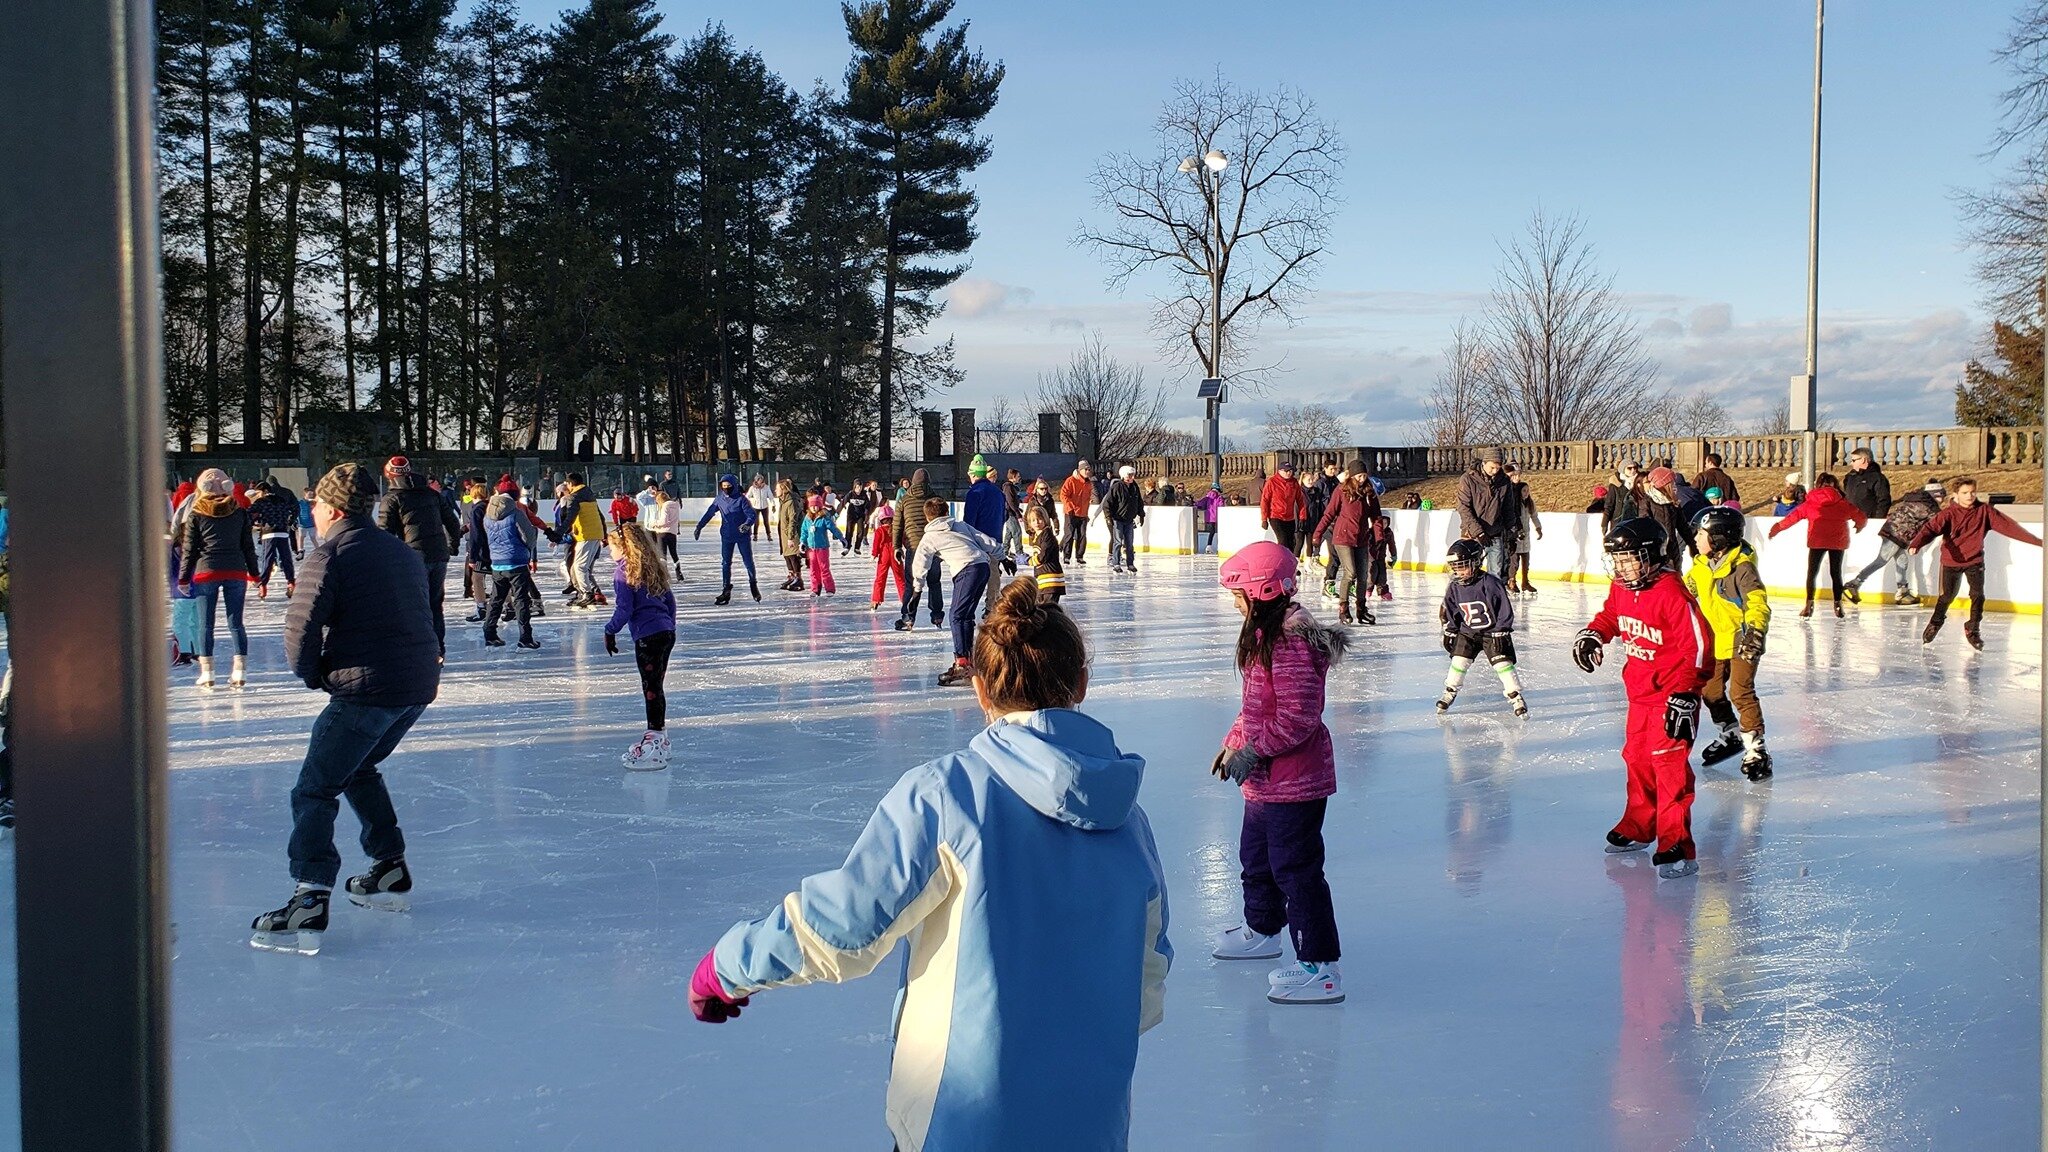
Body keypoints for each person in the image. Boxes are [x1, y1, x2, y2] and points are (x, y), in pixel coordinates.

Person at [686, 577, 1171, 1150]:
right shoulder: (1127, 818)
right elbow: (1148, 971)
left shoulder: (945, 796)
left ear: (981, 689)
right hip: (1090, 1124)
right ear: (1082, 685)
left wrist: (729, 966)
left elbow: (845, 923)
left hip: (964, 1123)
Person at [251, 463, 441, 955]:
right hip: (414, 686)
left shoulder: (330, 554)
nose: (310, 511)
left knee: (314, 789)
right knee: (360, 768)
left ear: (333, 509)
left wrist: (315, 674)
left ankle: (310, 895)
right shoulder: (399, 550)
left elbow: (299, 633)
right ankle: (389, 866)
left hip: (368, 689)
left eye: (314, 503)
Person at [1208, 541, 1348, 1005]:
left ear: (1263, 592)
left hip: (1296, 780)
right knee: (1257, 859)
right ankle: (1263, 930)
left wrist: (1252, 751)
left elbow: (1297, 718)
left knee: (1297, 870)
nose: (1233, 603)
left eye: (1238, 594)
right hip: (1265, 784)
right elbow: (1254, 709)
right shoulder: (1265, 636)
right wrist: (1234, 744)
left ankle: (1320, 967)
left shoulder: (1289, 643)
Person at [1570, 518, 1714, 880]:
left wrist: (1685, 692)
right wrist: (1594, 634)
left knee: (1669, 768)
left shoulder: (1671, 593)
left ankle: (1676, 843)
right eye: (1616, 561)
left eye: (1628, 559)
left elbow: (1699, 647)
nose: (1621, 568)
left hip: (1672, 697)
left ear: (1650, 556)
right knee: (1636, 758)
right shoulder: (1622, 588)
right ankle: (1639, 824)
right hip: (1640, 694)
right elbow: (1611, 615)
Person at [1908, 475, 2043, 649]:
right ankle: (1935, 623)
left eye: (1972, 492)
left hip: (1975, 560)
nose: (1969, 496)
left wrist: (2038, 542)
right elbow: (1931, 529)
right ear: (1956, 494)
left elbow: (2009, 527)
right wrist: (1917, 543)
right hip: (1952, 561)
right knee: (1947, 596)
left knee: (1978, 595)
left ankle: (1973, 629)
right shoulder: (1948, 514)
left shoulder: (1984, 511)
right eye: (1965, 493)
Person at [1687, 506, 1773, 780]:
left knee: (1741, 692)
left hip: (1742, 638)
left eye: (1701, 534)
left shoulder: (1742, 568)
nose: (1696, 539)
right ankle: (1731, 734)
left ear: (1719, 540)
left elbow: (1757, 602)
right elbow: (1683, 591)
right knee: (1710, 692)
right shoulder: (1700, 566)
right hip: (1714, 639)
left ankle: (1756, 749)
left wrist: (1755, 632)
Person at [900, 498, 1014, 686]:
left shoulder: (930, 537)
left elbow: (920, 564)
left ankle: (962, 663)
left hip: (967, 570)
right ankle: (969, 659)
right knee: (965, 615)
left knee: (957, 615)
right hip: (982, 566)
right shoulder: (960, 525)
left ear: (928, 518)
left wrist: (917, 590)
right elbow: (985, 541)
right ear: (946, 512)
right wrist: (1003, 558)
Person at [602, 523, 678, 770]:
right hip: (665, 633)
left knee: (651, 688)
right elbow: (670, 601)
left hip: (648, 637)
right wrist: (669, 627)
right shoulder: (653, 566)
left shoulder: (624, 572)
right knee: (656, 686)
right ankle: (661, 737)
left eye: (611, 546)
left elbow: (625, 609)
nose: (608, 551)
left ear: (624, 547)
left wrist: (610, 630)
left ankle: (654, 741)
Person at [177, 467, 260, 690]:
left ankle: (207, 674)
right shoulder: (240, 513)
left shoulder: (196, 513)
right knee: (236, 624)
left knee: (206, 625)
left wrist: (183, 578)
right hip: (236, 571)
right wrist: (255, 573)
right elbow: (248, 547)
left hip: (207, 571)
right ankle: (240, 671)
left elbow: (189, 549)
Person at [378, 456, 462, 657]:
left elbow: (384, 534)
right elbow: (452, 521)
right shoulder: (431, 494)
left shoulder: (392, 499)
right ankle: (437, 649)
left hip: (412, 558)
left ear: (389, 476)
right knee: (434, 604)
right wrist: (453, 545)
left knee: (412, 604)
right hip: (438, 555)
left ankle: (418, 650)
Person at [1434, 538, 1526, 717]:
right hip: (1468, 632)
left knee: (1503, 664)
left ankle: (1515, 695)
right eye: (1455, 567)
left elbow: (1504, 609)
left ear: (1476, 562)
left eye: (1462, 566)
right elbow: (1450, 610)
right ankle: (1450, 690)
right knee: (1459, 661)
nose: (1458, 571)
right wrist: (1450, 631)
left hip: (1492, 633)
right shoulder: (1454, 587)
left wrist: (1502, 630)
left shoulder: (1490, 583)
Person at [1766, 472, 1866, 618]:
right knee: (1836, 573)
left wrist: (1777, 528)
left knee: (1812, 572)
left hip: (1817, 540)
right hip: (1837, 541)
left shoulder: (1810, 503)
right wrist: (1859, 525)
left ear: (1818, 485)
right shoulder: (1842, 503)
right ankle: (1838, 605)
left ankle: (1808, 604)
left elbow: (1793, 517)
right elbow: (1860, 516)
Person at [1846, 479, 1945, 606]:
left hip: (1894, 532)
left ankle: (1902, 591)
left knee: (1902, 561)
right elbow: (1938, 524)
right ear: (1933, 495)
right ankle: (1854, 584)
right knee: (1881, 560)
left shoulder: (1917, 500)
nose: (1942, 498)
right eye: (1940, 495)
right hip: (1896, 535)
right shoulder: (1928, 507)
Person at [475, 476, 545, 651]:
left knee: (496, 599)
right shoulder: (516, 513)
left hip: (497, 563)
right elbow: (529, 535)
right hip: (516, 562)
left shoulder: (488, 514)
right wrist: (527, 551)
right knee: (521, 600)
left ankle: (489, 633)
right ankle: (525, 637)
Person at [1312, 459, 1380, 626]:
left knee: (1363, 576)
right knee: (1350, 572)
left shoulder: (1369, 493)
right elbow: (1329, 514)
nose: (1362, 479)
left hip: (1361, 539)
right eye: (1358, 476)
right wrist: (1317, 534)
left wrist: (1379, 537)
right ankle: (1343, 608)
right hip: (1342, 538)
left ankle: (1361, 609)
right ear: (1351, 475)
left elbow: (1376, 517)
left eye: (1364, 475)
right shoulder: (1342, 491)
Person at [694, 473, 760, 605]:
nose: (726, 489)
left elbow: (752, 515)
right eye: (723, 486)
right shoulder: (719, 499)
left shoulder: (741, 499)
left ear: (734, 486)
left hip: (742, 536)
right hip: (727, 535)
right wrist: (699, 526)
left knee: (748, 561)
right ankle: (726, 589)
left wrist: (747, 524)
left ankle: (753, 585)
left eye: (728, 486)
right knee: (725, 563)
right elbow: (709, 513)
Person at [896, 468, 946, 629]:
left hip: (913, 547)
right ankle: (937, 615)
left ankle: (908, 617)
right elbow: (944, 524)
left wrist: (896, 547)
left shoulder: (904, 500)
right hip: (933, 547)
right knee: (934, 583)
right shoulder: (935, 499)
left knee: (911, 584)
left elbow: (897, 526)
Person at [1455, 448, 1516, 578]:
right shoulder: (1468, 479)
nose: (1495, 471)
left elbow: (1508, 508)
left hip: (1495, 533)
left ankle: (1492, 597)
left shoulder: (1504, 481)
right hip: (1471, 533)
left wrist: (1512, 533)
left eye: (1498, 468)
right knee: (1468, 572)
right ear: (1484, 463)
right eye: (1492, 467)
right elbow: (1463, 507)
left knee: (1496, 573)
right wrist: (1479, 532)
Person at [964, 454, 1008, 609]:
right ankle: (992, 604)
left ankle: (968, 604)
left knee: (973, 573)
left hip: (978, 540)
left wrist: (967, 539)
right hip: (996, 538)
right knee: (993, 572)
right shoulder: (998, 492)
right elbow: (1005, 516)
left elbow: (969, 520)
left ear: (974, 474)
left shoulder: (974, 493)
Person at [559, 472, 608, 609]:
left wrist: (557, 534)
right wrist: (604, 533)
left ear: (570, 484)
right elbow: (599, 515)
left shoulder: (574, 497)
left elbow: (568, 518)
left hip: (587, 535)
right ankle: (583, 593)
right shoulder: (588, 493)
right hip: (592, 534)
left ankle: (588, 594)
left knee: (580, 567)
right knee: (578, 567)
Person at [249, 478, 302, 600]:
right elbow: (295, 508)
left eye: (259, 492)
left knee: (268, 560)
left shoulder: (262, 502)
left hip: (269, 533)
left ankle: (263, 585)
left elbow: (249, 512)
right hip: (283, 532)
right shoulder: (282, 500)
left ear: (264, 490)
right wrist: (290, 520)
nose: (258, 495)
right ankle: (291, 582)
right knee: (286, 558)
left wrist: (255, 521)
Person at [1099, 465, 1147, 575]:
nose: (1132, 477)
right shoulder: (1117, 487)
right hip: (1117, 519)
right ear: (1124, 475)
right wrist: (1108, 517)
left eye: (1133, 475)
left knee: (1129, 543)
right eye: (1130, 475)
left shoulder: (1134, 486)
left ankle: (1130, 564)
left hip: (1129, 520)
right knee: (1118, 542)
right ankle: (1116, 563)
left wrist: (1141, 514)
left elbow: (1139, 501)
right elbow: (1107, 503)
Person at [1504, 463, 1543, 594]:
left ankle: (1525, 582)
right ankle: (1512, 581)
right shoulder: (1515, 502)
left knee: (1526, 560)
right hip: (1516, 534)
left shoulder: (1529, 504)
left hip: (1526, 536)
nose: (1526, 493)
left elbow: (1534, 516)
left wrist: (1538, 528)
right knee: (1514, 561)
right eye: (1524, 491)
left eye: (1528, 491)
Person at [799, 494, 845, 596]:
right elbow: (804, 531)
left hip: (822, 548)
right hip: (811, 549)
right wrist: (802, 542)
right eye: (812, 506)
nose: (814, 508)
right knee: (813, 570)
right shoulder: (807, 519)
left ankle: (829, 589)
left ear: (820, 506)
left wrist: (841, 538)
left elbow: (833, 528)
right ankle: (815, 589)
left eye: (816, 506)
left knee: (824, 568)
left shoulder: (824, 518)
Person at [1259, 460, 1306, 553]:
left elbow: (1301, 500)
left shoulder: (1294, 482)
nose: (1288, 473)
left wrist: (1302, 517)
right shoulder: (1272, 482)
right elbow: (1265, 500)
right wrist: (1264, 519)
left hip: (1289, 517)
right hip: (1276, 516)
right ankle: (1281, 560)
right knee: (1283, 540)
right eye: (1286, 471)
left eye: (1290, 471)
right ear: (1280, 471)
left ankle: (1289, 562)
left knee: (1291, 543)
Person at [869, 503, 908, 611]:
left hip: (884, 556)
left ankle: (876, 600)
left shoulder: (879, 530)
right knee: (900, 578)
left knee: (880, 578)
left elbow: (876, 544)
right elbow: (904, 540)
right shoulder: (898, 529)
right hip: (897, 554)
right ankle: (905, 599)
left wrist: (874, 554)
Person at [1025, 503, 1065, 604]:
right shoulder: (1037, 536)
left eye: (1039, 519)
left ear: (1045, 519)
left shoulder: (1047, 536)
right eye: (1033, 520)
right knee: (1041, 611)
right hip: (1043, 580)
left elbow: (1042, 557)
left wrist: (1028, 561)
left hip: (1051, 579)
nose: (1037, 522)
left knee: (1048, 611)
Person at [1841, 447, 1892, 524]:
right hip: (1850, 522)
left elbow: (1883, 501)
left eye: (1854, 460)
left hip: (1869, 522)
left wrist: (1876, 521)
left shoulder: (1877, 478)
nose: (1851, 463)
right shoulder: (1850, 477)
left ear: (1863, 460)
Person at [1059, 460, 1095, 563]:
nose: (1088, 471)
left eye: (1089, 469)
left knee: (1082, 535)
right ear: (1080, 470)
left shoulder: (1089, 483)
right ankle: (1066, 556)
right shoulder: (1071, 480)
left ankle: (1079, 556)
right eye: (1086, 469)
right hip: (1070, 513)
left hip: (1083, 513)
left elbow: (1086, 499)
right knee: (1069, 534)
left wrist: (1086, 512)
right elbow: (1063, 495)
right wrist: (1070, 507)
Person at [646, 487, 684, 579]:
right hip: (672, 533)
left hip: (662, 533)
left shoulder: (665, 506)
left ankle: (664, 574)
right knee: (674, 553)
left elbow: (664, 521)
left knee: (662, 554)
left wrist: (654, 524)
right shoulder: (675, 505)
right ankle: (678, 572)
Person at [774, 478, 805, 591]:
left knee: (793, 556)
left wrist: (791, 537)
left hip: (790, 534)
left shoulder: (791, 501)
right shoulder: (783, 501)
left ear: (783, 489)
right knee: (787, 556)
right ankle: (792, 576)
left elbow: (793, 520)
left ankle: (798, 579)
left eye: (777, 489)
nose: (775, 491)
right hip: (784, 533)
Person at [1367, 513, 1397, 600]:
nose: (1383, 525)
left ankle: (1383, 591)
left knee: (1382, 575)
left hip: (1381, 557)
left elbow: (1392, 544)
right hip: (1370, 557)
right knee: (1372, 574)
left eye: (1385, 523)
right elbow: (1367, 546)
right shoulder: (1370, 532)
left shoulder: (1388, 533)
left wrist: (1394, 555)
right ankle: (1367, 589)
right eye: (1381, 523)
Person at [841, 478, 873, 557]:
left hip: (860, 516)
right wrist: (837, 513)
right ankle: (847, 546)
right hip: (851, 515)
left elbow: (867, 507)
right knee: (849, 531)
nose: (859, 489)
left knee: (860, 532)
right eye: (857, 487)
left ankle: (857, 548)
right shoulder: (851, 494)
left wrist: (866, 517)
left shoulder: (864, 495)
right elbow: (843, 503)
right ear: (854, 487)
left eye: (860, 487)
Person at [1192, 484, 1225, 554]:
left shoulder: (1207, 497)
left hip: (1209, 517)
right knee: (1220, 531)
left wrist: (1194, 503)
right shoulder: (1219, 497)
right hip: (1218, 517)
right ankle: (1216, 546)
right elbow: (1221, 506)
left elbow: (1200, 504)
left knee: (1212, 532)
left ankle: (1209, 545)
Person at [746, 474, 774, 542]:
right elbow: (747, 496)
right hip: (756, 507)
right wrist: (747, 504)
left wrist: (773, 504)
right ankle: (755, 535)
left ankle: (769, 535)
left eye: (761, 479)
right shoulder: (752, 488)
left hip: (764, 506)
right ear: (756, 480)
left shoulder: (766, 487)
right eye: (759, 479)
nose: (761, 480)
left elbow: (770, 496)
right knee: (756, 522)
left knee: (766, 522)